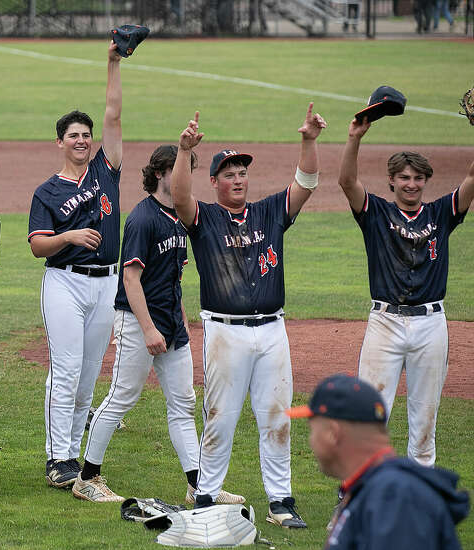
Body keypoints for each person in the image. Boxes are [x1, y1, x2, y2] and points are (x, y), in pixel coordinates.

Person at [171, 104, 326, 528]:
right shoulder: (205, 218)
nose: (238, 179)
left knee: (276, 417)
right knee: (220, 415)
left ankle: (281, 502)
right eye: (229, 174)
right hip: (225, 332)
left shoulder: (269, 212)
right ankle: (205, 494)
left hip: (273, 330)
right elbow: (180, 195)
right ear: (216, 181)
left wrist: (308, 140)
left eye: (242, 173)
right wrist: (185, 151)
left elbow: (307, 182)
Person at [75, 145, 245, 505]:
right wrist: (149, 328)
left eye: (187, 169)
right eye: (175, 169)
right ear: (158, 174)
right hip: (139, 323)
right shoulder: (143, 218)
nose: (182, 176)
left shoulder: (179, 216)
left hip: (171, 322)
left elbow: (173, 273)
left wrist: (178, 312)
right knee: (122, 397)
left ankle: (198, 485)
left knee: (183, 403)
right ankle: (87, 477)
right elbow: (131, 279)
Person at [292, 374, 472, 550]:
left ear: (332, 433)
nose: (310, 441)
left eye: (312, 428)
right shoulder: (375, 492)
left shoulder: (397, 499)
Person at [338, 119, 473, 467]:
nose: (411, 184)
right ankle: (357, 489)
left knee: (425, 414)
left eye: (417, 178)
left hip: (431, 324)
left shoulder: (441, 213)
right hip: (385, 322)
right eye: (404, 177)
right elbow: (347, 181)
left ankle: (419, 491)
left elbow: (471, 180)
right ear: (392, 181)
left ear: (425, 181)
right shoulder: (377, 213)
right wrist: (355, 137)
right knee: (369, 410)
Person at [27, 40, 123, 489]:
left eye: (86, 135)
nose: (82, 140)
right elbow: (37, 246)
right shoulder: (47, 191)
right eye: (73, 136)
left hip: (107, 283)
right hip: (64, 283)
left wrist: (112, 62)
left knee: (88, 372)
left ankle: (73, 452)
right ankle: (56, 457)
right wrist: (67, 236)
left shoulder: (107, 170)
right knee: (64, 367)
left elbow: (114, 115)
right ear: (60, 142)